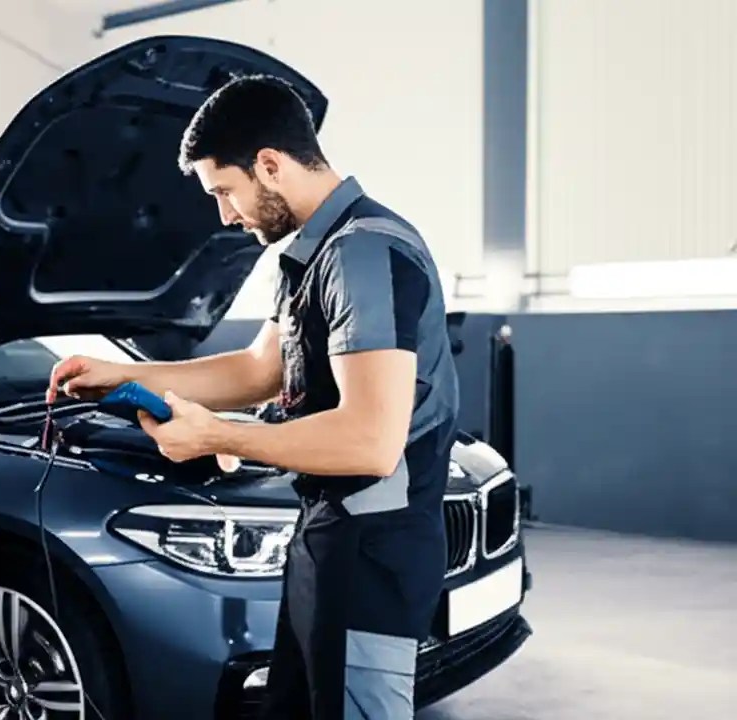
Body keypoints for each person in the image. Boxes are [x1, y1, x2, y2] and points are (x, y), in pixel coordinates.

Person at [46, 74, 459, 719]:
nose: (224, 215)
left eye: (225, 192)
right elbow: (259, 368)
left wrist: (220, 436)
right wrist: (122, 374)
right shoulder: (315, 254)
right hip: (327, 533)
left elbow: (369, 442)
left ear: (269, 165)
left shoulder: (363, 254)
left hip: (372, 549)